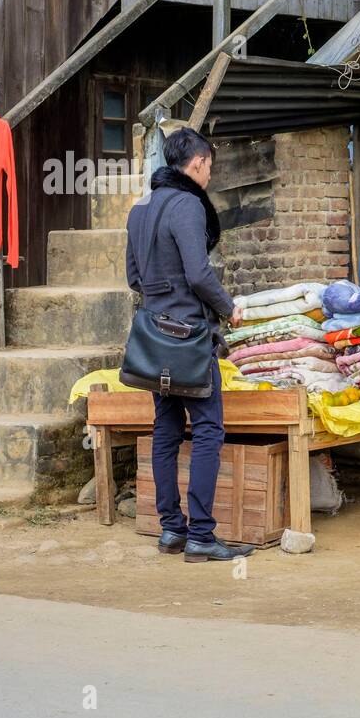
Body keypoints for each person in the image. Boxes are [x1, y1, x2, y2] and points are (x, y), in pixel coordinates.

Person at [125, 127, 252, 563]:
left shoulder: (140, 209)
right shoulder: (189, 206)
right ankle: (201, 534)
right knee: (209, 429)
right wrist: (228, 306)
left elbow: (134, 279)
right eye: (210, 167)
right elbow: (199, 275)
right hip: (189, 340)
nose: (210, 176)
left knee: (165, 430)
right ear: (196, 163)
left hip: (153, 338)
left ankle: (171, 531)